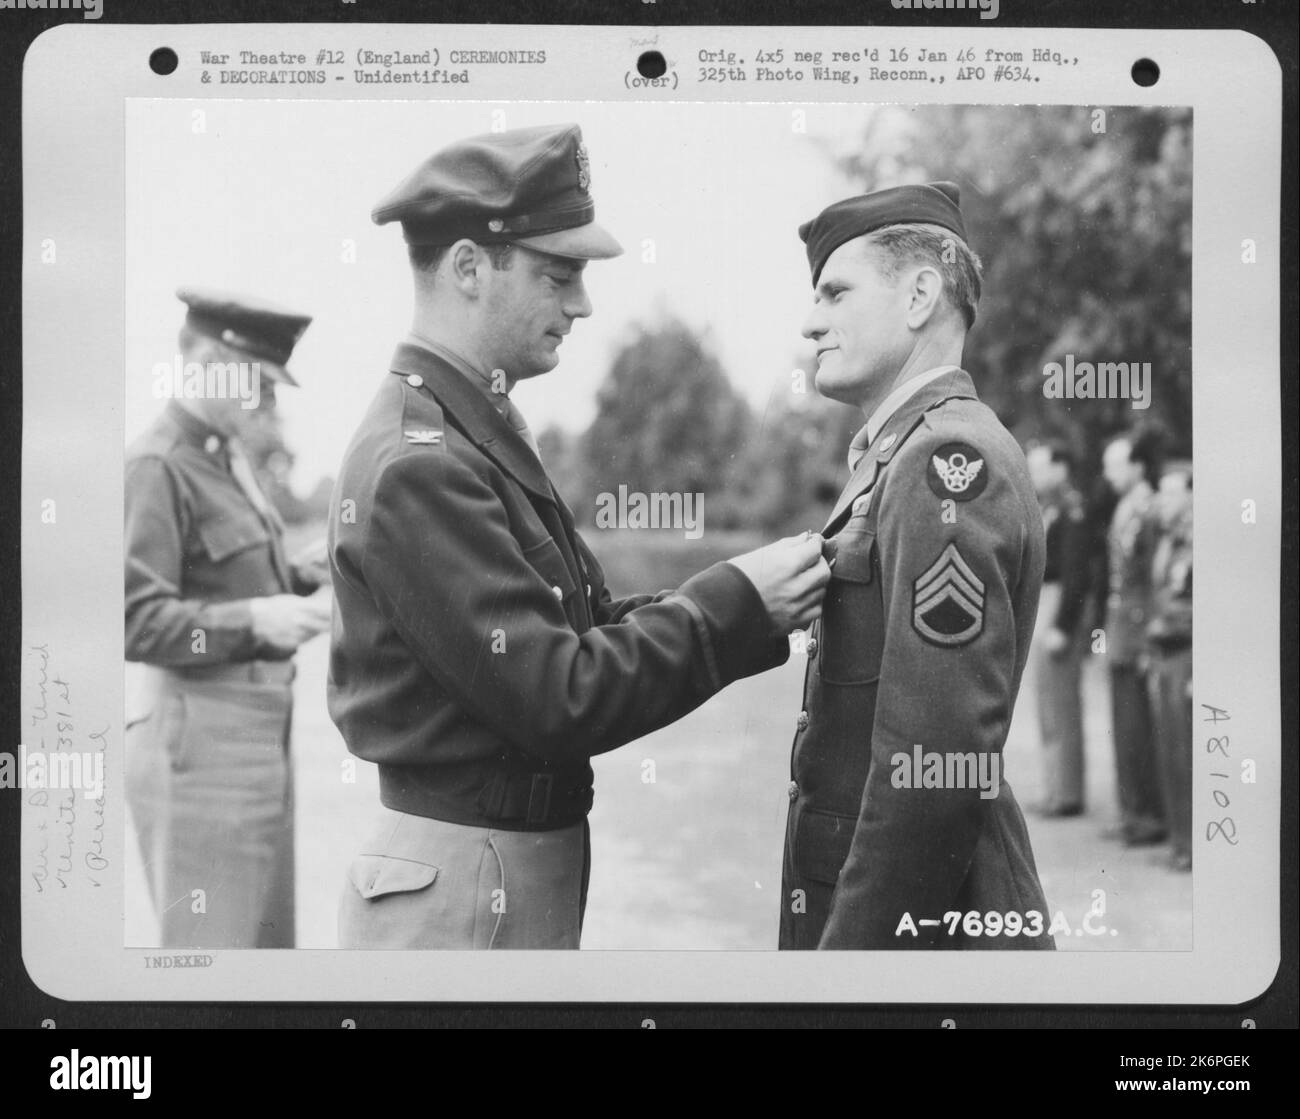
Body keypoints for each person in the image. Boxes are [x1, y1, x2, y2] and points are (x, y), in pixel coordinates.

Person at [328, 123, 829, 950]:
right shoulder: (420, 462)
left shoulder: (473, 429)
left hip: (497, 865)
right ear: (467, 268)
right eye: (559, 274)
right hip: (465, 881)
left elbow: (582, 625)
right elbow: (560, 691)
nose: (582, 302)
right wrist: (739, 602)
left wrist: (753, 593)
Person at [780, 182, 1054, 950]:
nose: (811, 322)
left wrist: (853, 975)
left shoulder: (945, 460)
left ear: (920, 296)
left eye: (835, 292)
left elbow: (936, 767)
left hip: (917, 932)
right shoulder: (899, 452)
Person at [125, 288, 331, 948]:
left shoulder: (228, 455)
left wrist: (302, 572)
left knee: (267, 969)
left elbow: (224, 576)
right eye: (258, 384)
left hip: (255, 740)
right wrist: (253, 622)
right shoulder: (156, 464)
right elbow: (136, 620)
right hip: (200, 753)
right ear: (211, 359)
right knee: (210, 968)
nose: (265, 402)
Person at [1100, 431, 1167, 846]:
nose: (1109, 475)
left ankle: (1148, 816)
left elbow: (1153, 578)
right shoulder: (1125, 506)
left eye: (1115, 466)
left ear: (1136, 467)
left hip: (1138, 629)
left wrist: (1147, 640)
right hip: (1119, 626)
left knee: (1140, 727)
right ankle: (1132, 812)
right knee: (1123, 727)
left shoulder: (1150, 510)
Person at [1025, 439, 1092, 817]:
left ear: (1060, 469)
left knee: (1062, 706)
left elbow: (1077, 575)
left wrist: (1064, 625)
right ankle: (1054, 788)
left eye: (1040, 467)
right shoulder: (1049, 508)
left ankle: (1067, 793)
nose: (1034, 475)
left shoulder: (1072, 509)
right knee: (1047, 705)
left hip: (1060, 609)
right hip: (1046, 604)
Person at [1145, 461, 1193, 871]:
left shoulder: (1198, 543)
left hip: (1188, 654)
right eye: (1161, 491)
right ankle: (1180, 843)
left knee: (1188, 754)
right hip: (1164, 651)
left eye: (1173, 491)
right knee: (1170, 751)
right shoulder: (1167, 540)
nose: (1163, 500)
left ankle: (1193, 846)